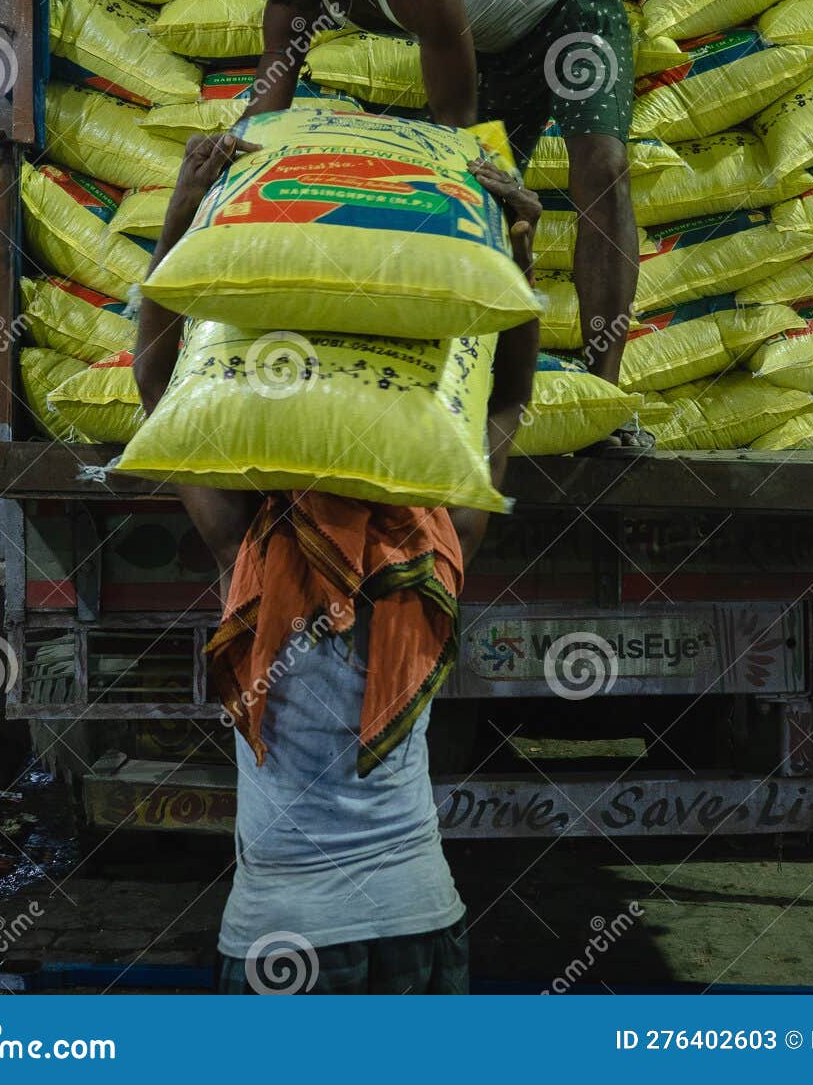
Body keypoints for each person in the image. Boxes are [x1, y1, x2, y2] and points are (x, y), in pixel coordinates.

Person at [132, 131, 541, 996]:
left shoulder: (249, 548)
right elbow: (507, 399)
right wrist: (516, 253)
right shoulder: (440, 540)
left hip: (283, 935)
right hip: (421, 918)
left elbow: (160, 388)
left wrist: (183, 211)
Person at [211, 0, 638, 396]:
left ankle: (604, 386)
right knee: (476, 207)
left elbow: (453, 128)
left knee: (601, 169)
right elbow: (264, 114)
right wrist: (219, 171)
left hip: (568, 18)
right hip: (491, 52)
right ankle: (469, 386)